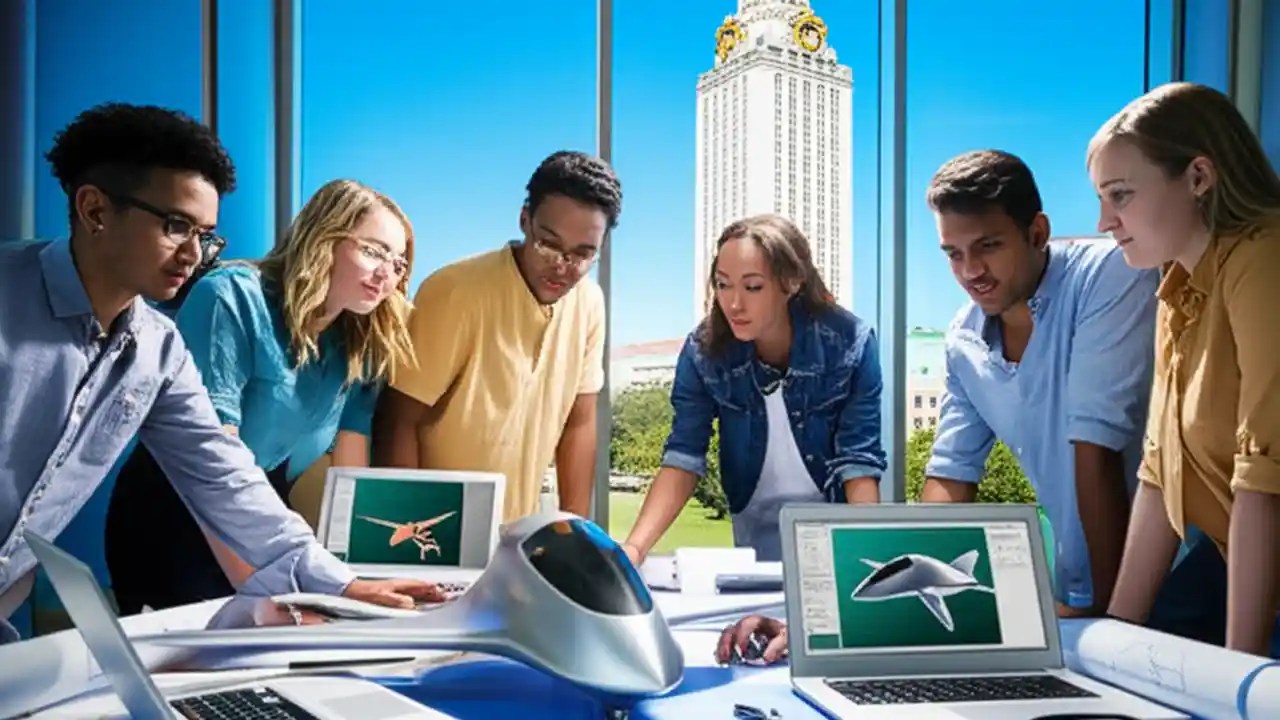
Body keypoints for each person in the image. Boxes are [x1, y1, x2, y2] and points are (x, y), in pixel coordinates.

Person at [0, 103, 437, 643]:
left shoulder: (158, 351)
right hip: (165, 532)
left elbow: (222, 473)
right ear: (94, 210)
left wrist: (343, 586)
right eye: (176, 225)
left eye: (206, 235)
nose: (194, 253)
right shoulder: (10, 295)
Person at [104, 178, 417, 614]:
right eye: (373, 251)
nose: (388, 274)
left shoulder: (362, 339)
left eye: (399, 263)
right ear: (323, 238)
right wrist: (257, 588)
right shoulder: (231, 297)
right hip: (177, 507)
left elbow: (351, 457)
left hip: (261, 506)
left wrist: (356, 582)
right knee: (198, 662)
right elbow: (209, 463)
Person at [918, 149, 1160, 619]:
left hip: (1164, 582)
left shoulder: (1111, 274)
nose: (970, 271)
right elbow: (951, 473)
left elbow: (1096, 447)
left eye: (988, 246)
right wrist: (922, 605)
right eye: (954, 253)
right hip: (1078, 587)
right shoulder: (962, 339)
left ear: (1037, 233)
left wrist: (1111, 619)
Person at [1088, 81, 1280, 658]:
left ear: (1198, 177)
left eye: (1119, 196)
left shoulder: (1264, 260)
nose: (1104, 222)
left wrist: (1237, 673)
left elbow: (1265, 479)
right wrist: (1114, 644)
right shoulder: (1175, 291)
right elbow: (1158, 475)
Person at [372, 151, 621, 523]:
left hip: (516, 535)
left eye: (583, 255)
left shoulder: (590, 303)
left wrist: (575, 535)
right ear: (525, 219)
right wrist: (412, 537)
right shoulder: (453, 290)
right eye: (548, 244)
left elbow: (579, 423)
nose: (562, 266)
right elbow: (397, 418)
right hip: (437, 529)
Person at [620, 214, 884, 565]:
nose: (734, 304)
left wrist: (868, 556)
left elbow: (858, 461)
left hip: (836, 525)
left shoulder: (851, 344)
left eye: (753, 287)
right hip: (753, 530)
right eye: (723, 284)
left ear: (791, 282)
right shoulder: (703, 352)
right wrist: (634, 549)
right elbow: (683, 456)